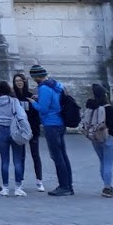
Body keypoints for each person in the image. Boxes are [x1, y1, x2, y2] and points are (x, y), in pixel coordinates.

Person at [29, 64, 75, 196]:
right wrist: (40, 99)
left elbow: (43, 109)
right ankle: (68, 184)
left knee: (56, 156)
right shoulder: (57, 85)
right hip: (60, 122)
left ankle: (63, 186)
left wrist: (33, 103)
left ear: (36, 77)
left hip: (51, 124)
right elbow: (55, 102)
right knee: (63, 155)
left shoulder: (43, 88)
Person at [81, 81, 113, 198]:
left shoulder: (90, 106)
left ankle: (107, 185)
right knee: (108, 163)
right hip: (108, 137)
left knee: (102, 162)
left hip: (94, 137)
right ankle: (107, 187)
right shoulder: (109, 109)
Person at [11, 71, 46, 191]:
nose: (19, 83)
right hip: (19, 130)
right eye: (16, 81)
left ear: (24, 82)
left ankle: (39, 181)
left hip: (32, 128)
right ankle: (19, 181)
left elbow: (37, 112)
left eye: (20, 81)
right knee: (20, 156)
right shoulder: (13, 97)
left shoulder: (31, 95)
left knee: (35, 154)